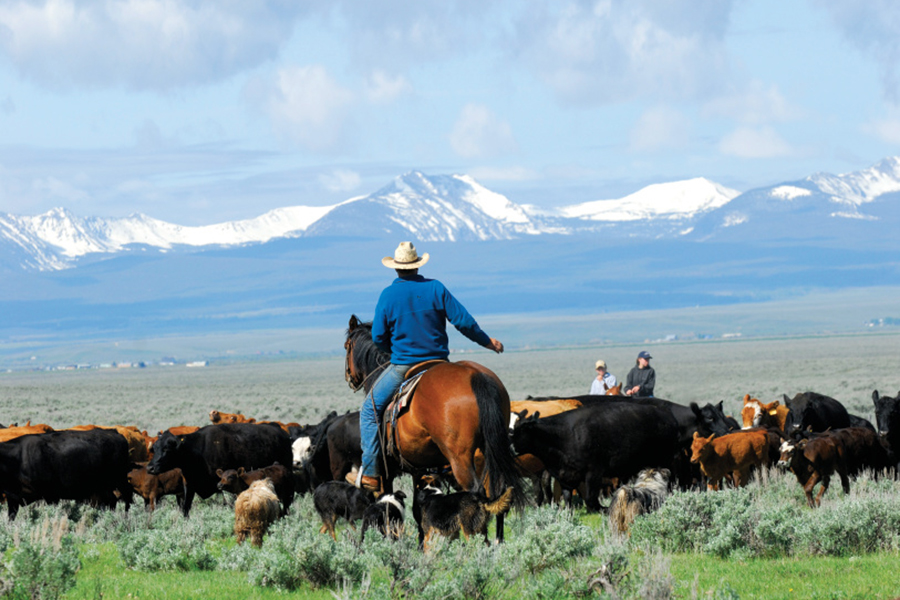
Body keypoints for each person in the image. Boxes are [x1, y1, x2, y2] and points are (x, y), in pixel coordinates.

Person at [349, 241, 504, 492]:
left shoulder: (388, 295)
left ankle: (371, 474)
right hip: (439, 362)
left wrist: (394, 349)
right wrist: (487, 342)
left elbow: (377, 337)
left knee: (369, 411)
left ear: (397, 268)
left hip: (404, 366)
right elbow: (463, 321)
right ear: (417, 265)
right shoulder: (436, 288)